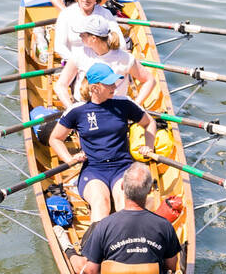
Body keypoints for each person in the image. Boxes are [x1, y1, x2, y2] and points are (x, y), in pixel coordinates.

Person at [49, 62, 157, 230]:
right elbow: (55, 138)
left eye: (114, 82)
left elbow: (149, 123)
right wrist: (69, 159)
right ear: (95, 87)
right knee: (101, 203)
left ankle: (127, 245)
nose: (114, 86)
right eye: (109, 83)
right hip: (93, 169)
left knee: (124, 203)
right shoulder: (77, 111)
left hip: (122, 167)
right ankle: (95, 247)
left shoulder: (124, 104)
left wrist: (148, 146)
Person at [77, 162, 181, 274]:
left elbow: (91, 270)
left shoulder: (103, 225)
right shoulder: (165, 225)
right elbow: (171, 266)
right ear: (150, 190)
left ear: (122, 186)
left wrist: (70, 254)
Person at [52, 14, 154, 112]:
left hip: (114, 111)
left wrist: (134, 107)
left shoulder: (124, 58)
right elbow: (60, 85)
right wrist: (72, 110)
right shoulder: (79, 54)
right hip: (84, 107)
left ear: (93, 39)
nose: (79, 36)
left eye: (83, 34)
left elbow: (149, 80)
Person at [51, 0, 116, 64]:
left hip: (102, 62)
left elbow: (119, 42)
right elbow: (59, 46)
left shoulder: (106, 13)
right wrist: (79, 63)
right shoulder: (66, 14)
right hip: (74, 63)